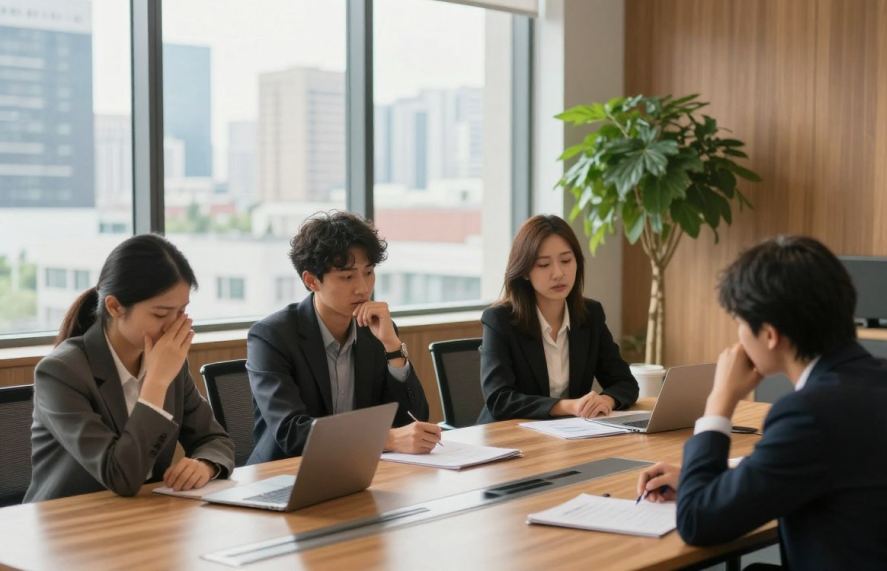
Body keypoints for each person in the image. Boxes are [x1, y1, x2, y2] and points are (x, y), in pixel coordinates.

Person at [636, 236, 887, 570]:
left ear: (770, 335)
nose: (739, 337)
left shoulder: (810, 412)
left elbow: (698, 523)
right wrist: (697, 477)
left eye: (741, 323)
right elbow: (804, 466)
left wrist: (719, 403)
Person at [24, 235, 234, 502]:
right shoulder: (61, 372)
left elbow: (215, 439)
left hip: (141, 513)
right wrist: (156, 382)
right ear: (114, 307)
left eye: (181, 311)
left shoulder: (168, 362)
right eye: (160, 314)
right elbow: (120, 477)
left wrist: (206, 464)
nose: (174, 326)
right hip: (69, 523)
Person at [246, 210, 435, 463]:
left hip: (358, 471)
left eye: (368, 272)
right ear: (312, 281)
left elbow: (413, 419)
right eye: (347, 276)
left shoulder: (376, 332)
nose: (363, 288)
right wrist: (385, 439)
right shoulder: (272, 337)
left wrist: (392, 347)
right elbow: (292, 432)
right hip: (283, 475)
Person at [478, 214, 638, 424]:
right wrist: (568, 406)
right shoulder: (499, 320)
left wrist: (607, 400)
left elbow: (625, 382)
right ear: (524, 271)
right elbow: (500, 399)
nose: (558, 273)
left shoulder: (591, 315)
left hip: (570, 436)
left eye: (566, 260)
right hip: (508, 438)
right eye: (544, 265)